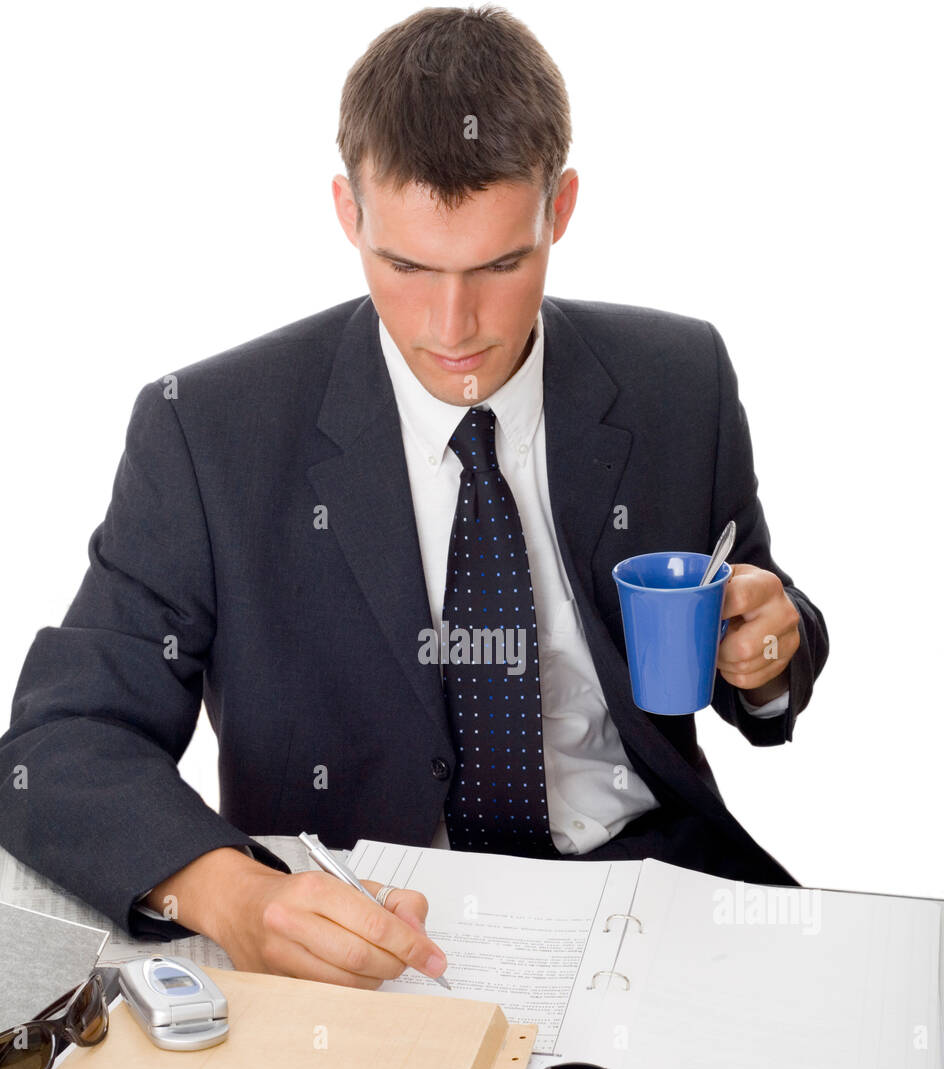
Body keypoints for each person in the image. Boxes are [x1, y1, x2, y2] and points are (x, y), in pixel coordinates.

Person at [0, 6, 827, 990]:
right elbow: (59, 743)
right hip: (363, 919)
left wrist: (764, 651)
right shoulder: (210, 431)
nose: (453, 325)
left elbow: (758, 636)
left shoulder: (673, 376)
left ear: (556, 210)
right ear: (348, 215)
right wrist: (238, 897)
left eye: (499, 265)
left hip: (657, 892)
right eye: (406, 266)